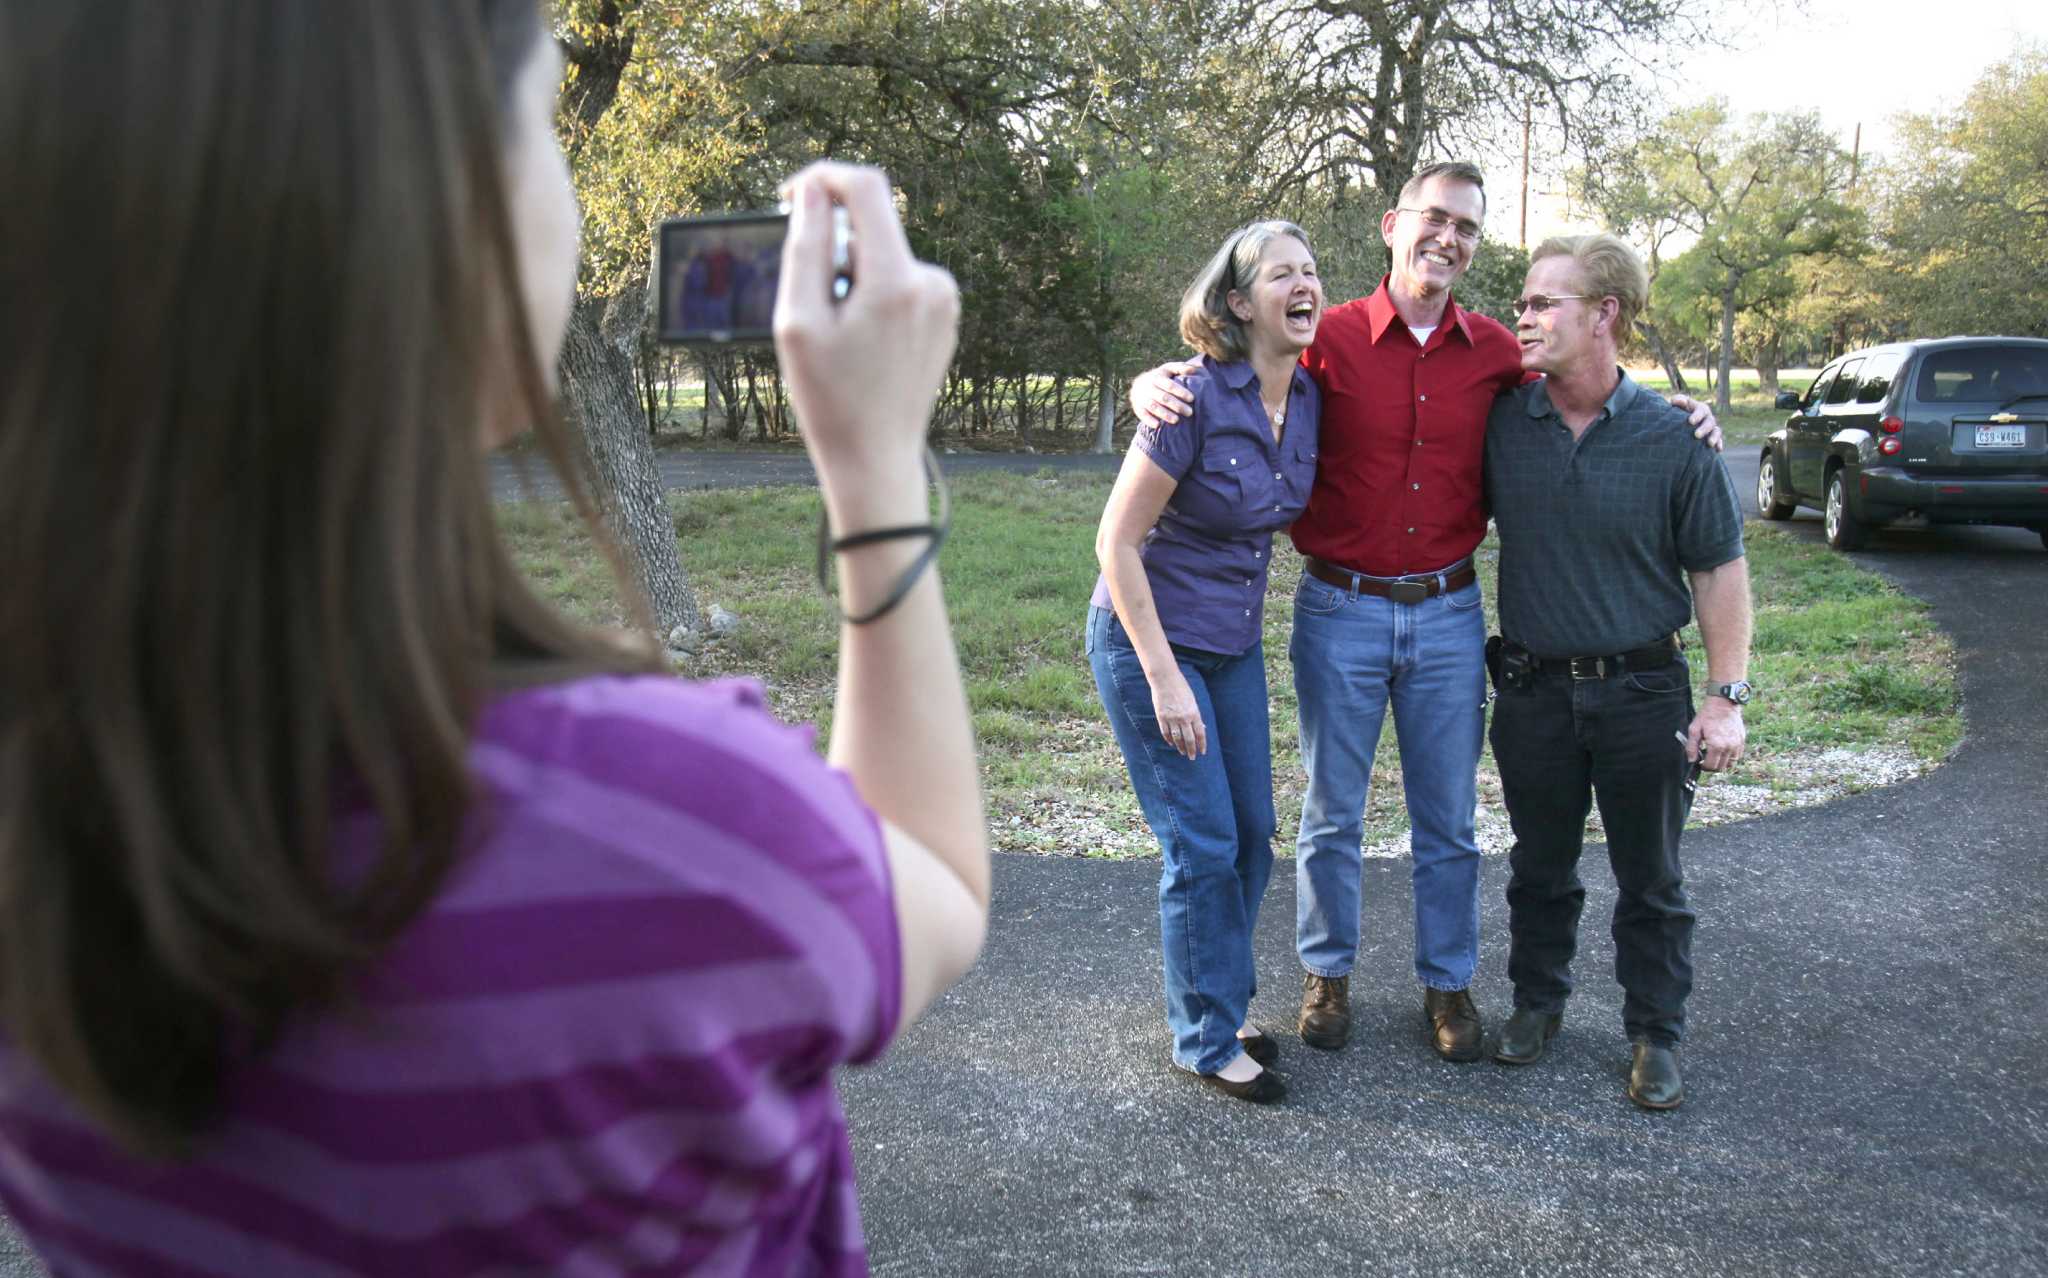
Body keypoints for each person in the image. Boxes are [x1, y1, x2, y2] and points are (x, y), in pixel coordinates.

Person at [0, 3, 987, 1274]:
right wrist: (875, 465)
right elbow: (936, 886)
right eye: (543, 123)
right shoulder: (675, 829)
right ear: (439, 220)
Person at [1130, 163, 1719, 1065]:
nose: (1450, 238)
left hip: (1448, 611)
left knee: (1449, 817)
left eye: (1468, 228)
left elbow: (1587, 381)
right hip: (1339, 606)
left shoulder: (1493, 351)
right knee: (1332, 811)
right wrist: (1149, 383)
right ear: (1393, 224)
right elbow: (1219, 368)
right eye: (1436, 219)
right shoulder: (1320, 334)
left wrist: (1686, 412)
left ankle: (1449, 983)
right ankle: (1327, 973)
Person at [1483, 234, 1751, 1110]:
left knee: (1652, 878)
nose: (1524, 316)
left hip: (1643, 693)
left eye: (1544, 302)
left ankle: (1655, 1034)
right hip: (1532, 692)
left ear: (1605, 315)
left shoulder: (1674, 438)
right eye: (1522, 302)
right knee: (1540, 867)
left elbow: (1718, 571)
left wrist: (1724, 698)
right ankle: (1537, 1004)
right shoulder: (1502, 423)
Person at [1088, 222, 1324, 1103]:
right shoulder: (1186, 400)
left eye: (1312, 273)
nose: (1304, 286)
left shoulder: (1308, 400)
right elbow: (1115, 542)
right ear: (1237, 303)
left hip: (1230, 650)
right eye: (1281, 276)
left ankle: (1219, 1002)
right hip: (1149, 642)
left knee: (1253, 836)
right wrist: (1161, 676)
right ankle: (1203, 1036)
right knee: (1202, 844)